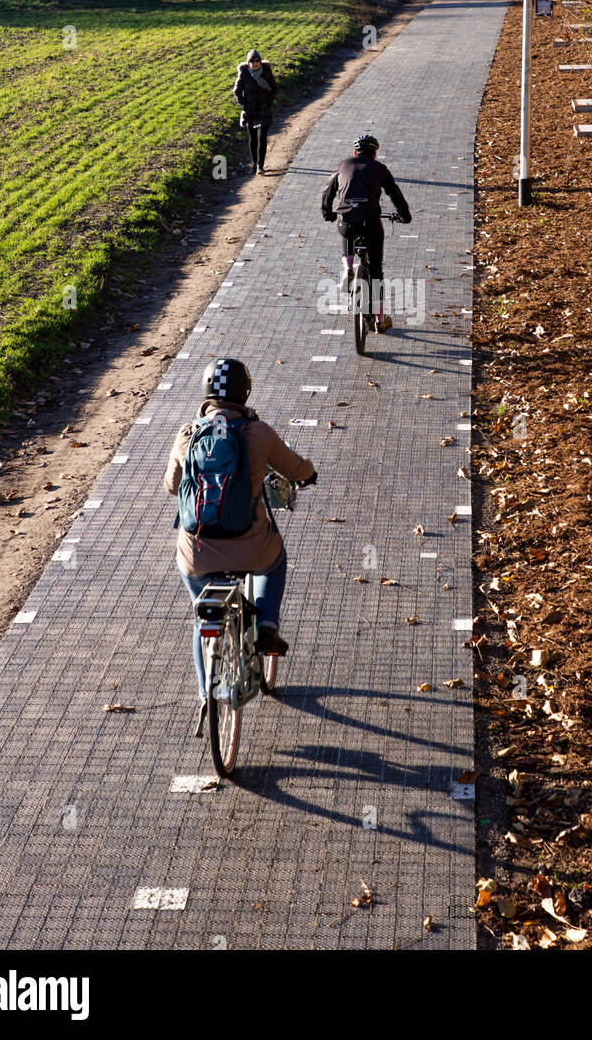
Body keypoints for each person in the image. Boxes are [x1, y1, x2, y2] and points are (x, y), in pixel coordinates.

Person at [163, 357, 316, 734]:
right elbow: (296, 468)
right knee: (275, 561)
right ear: (244, 393)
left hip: (196, 551)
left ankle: (205, 693)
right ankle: (265, 624)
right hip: (250, 544)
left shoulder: (188, 433)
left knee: (203, 616)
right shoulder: (259, 433)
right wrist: (310, 474)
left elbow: (170, 485)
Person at [321, 134, 411, 334]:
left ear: (355, 152)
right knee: (376, 271)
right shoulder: (380, 169)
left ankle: (348, 267)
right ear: (374, 154)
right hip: (370, 223)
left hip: (346, 222)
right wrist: (405, 215)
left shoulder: (343, 165)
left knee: (345, 226)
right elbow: (394, 193)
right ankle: (380, 319)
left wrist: (327, 213)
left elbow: (328, 191)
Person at [232, 48, 278, 174]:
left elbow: (274, 89)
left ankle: (260, 166)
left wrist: (268, 103)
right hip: (250, 111)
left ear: (260, 61)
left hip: (264, 111)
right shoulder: (244, 74)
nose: (255, 63)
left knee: (262, 138)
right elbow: (236, 92)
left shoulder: (267, 72)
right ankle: (254, 162)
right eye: (252, 61)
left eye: (257, 60)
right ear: (248, 63)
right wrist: (245, 106)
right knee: (253, 139)